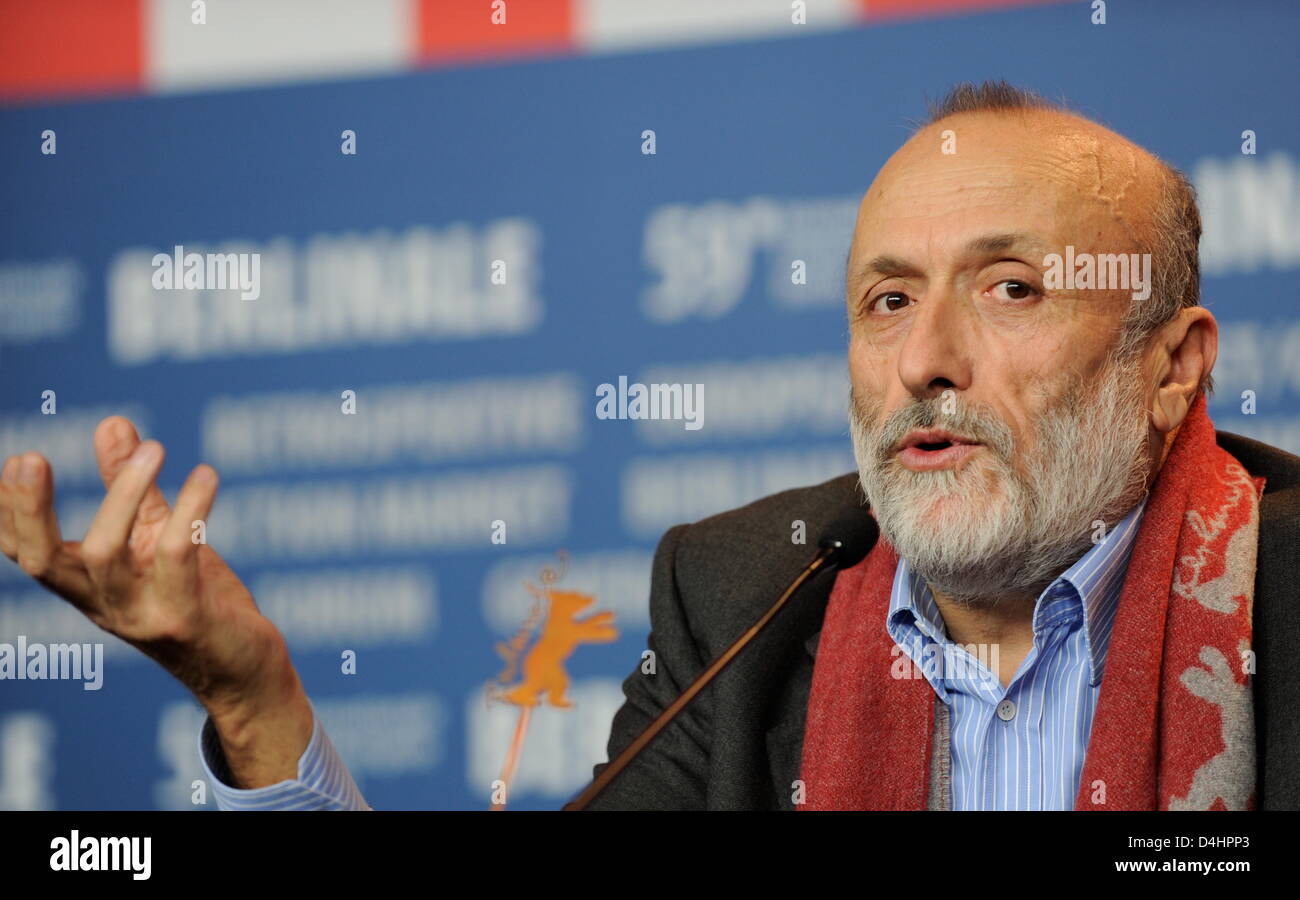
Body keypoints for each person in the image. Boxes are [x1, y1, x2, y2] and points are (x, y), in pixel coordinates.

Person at [2, 81, 1297, 810]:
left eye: (1010, 288)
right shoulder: (748, 601)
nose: (924, 359)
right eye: (887, 301)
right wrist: (254, 697)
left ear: (1170, 368)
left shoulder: (1276, 597)